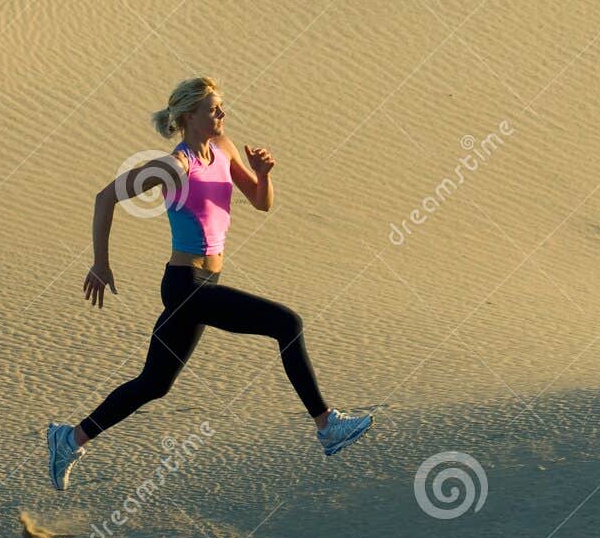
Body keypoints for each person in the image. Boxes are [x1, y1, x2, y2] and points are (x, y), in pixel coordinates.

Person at [47, 76, 372, 489]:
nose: (222, 113)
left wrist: (262, 174)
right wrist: (100, 263)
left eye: (221, 107)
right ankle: (327, 426)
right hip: (187, 286)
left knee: (155, 383)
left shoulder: (223, 148)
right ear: (189, 116)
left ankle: (70, 439)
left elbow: (261, 202)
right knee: (286, 324)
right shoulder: (174, 165)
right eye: (213, 108)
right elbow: (104, 197)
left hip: (205, 282)